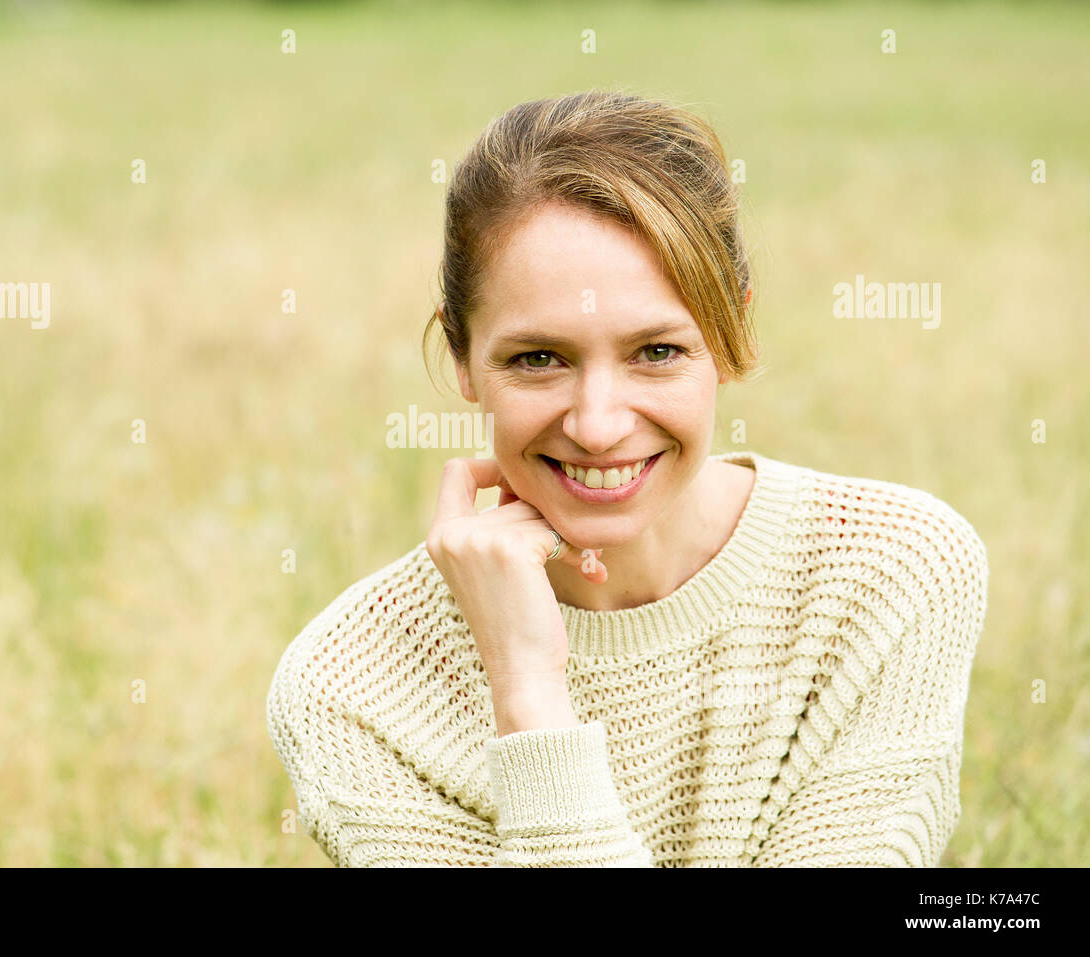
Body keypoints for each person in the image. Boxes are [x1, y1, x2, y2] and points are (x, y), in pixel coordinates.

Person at [265, 89, 989, 867]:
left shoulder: (893, 570)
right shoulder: (349, 686)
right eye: (538, 358)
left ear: (730, 329)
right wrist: (526, 691)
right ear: (461, 357)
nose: (598, 423)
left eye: (656, 351)